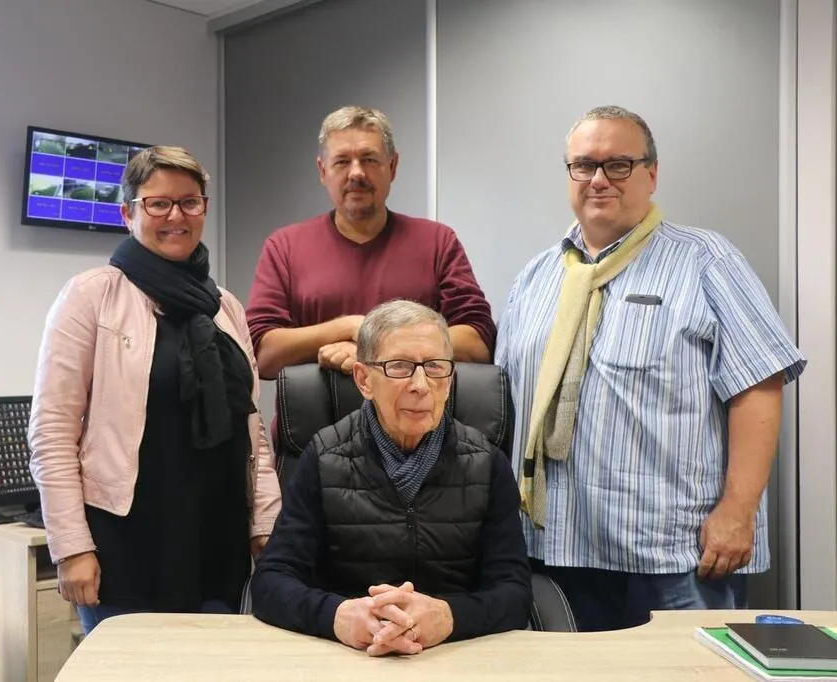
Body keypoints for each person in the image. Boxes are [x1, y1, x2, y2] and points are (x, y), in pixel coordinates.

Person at [495, 105, 806, 632]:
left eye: (618, 164)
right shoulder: (536, 276)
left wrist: (738, 511)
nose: (598, 179)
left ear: (651, 174)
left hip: (674, 555)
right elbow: (507, 405)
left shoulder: (705, 260)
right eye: (583, 165)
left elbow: (759, 384)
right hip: (552, 548)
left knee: (689, 671)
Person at [28, 146, 281, 634]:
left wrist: (266, 522)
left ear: (204, 208)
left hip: (218, 543)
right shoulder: (91, 296)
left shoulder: (226, 307)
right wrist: (71, 546)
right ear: (128, 213)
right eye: (158, 203)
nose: (176, 216)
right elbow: (52, 431)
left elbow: (252, 432)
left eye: (189, 202)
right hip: (128, 546)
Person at [250, 300, 531, 655]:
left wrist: (450, 617)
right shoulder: (323, 458)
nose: (420, 385)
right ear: (363, 379)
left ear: (450, 380)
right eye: (399, 366)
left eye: (435, 367)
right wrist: (337, 616)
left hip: (454, 655)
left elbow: (514, 592)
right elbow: (271, 580)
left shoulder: (487, 464)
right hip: (347, 656)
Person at [246, 106, 495, 380]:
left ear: (393, 166)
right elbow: (262, 354)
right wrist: (347, 327)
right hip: (316, 408)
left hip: (418, 406)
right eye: (342, 161)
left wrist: (375, 345)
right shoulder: (284, 247)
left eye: (369, 159)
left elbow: (477, 342)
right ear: (323, 170)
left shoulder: (438, 243)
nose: (356, 173)